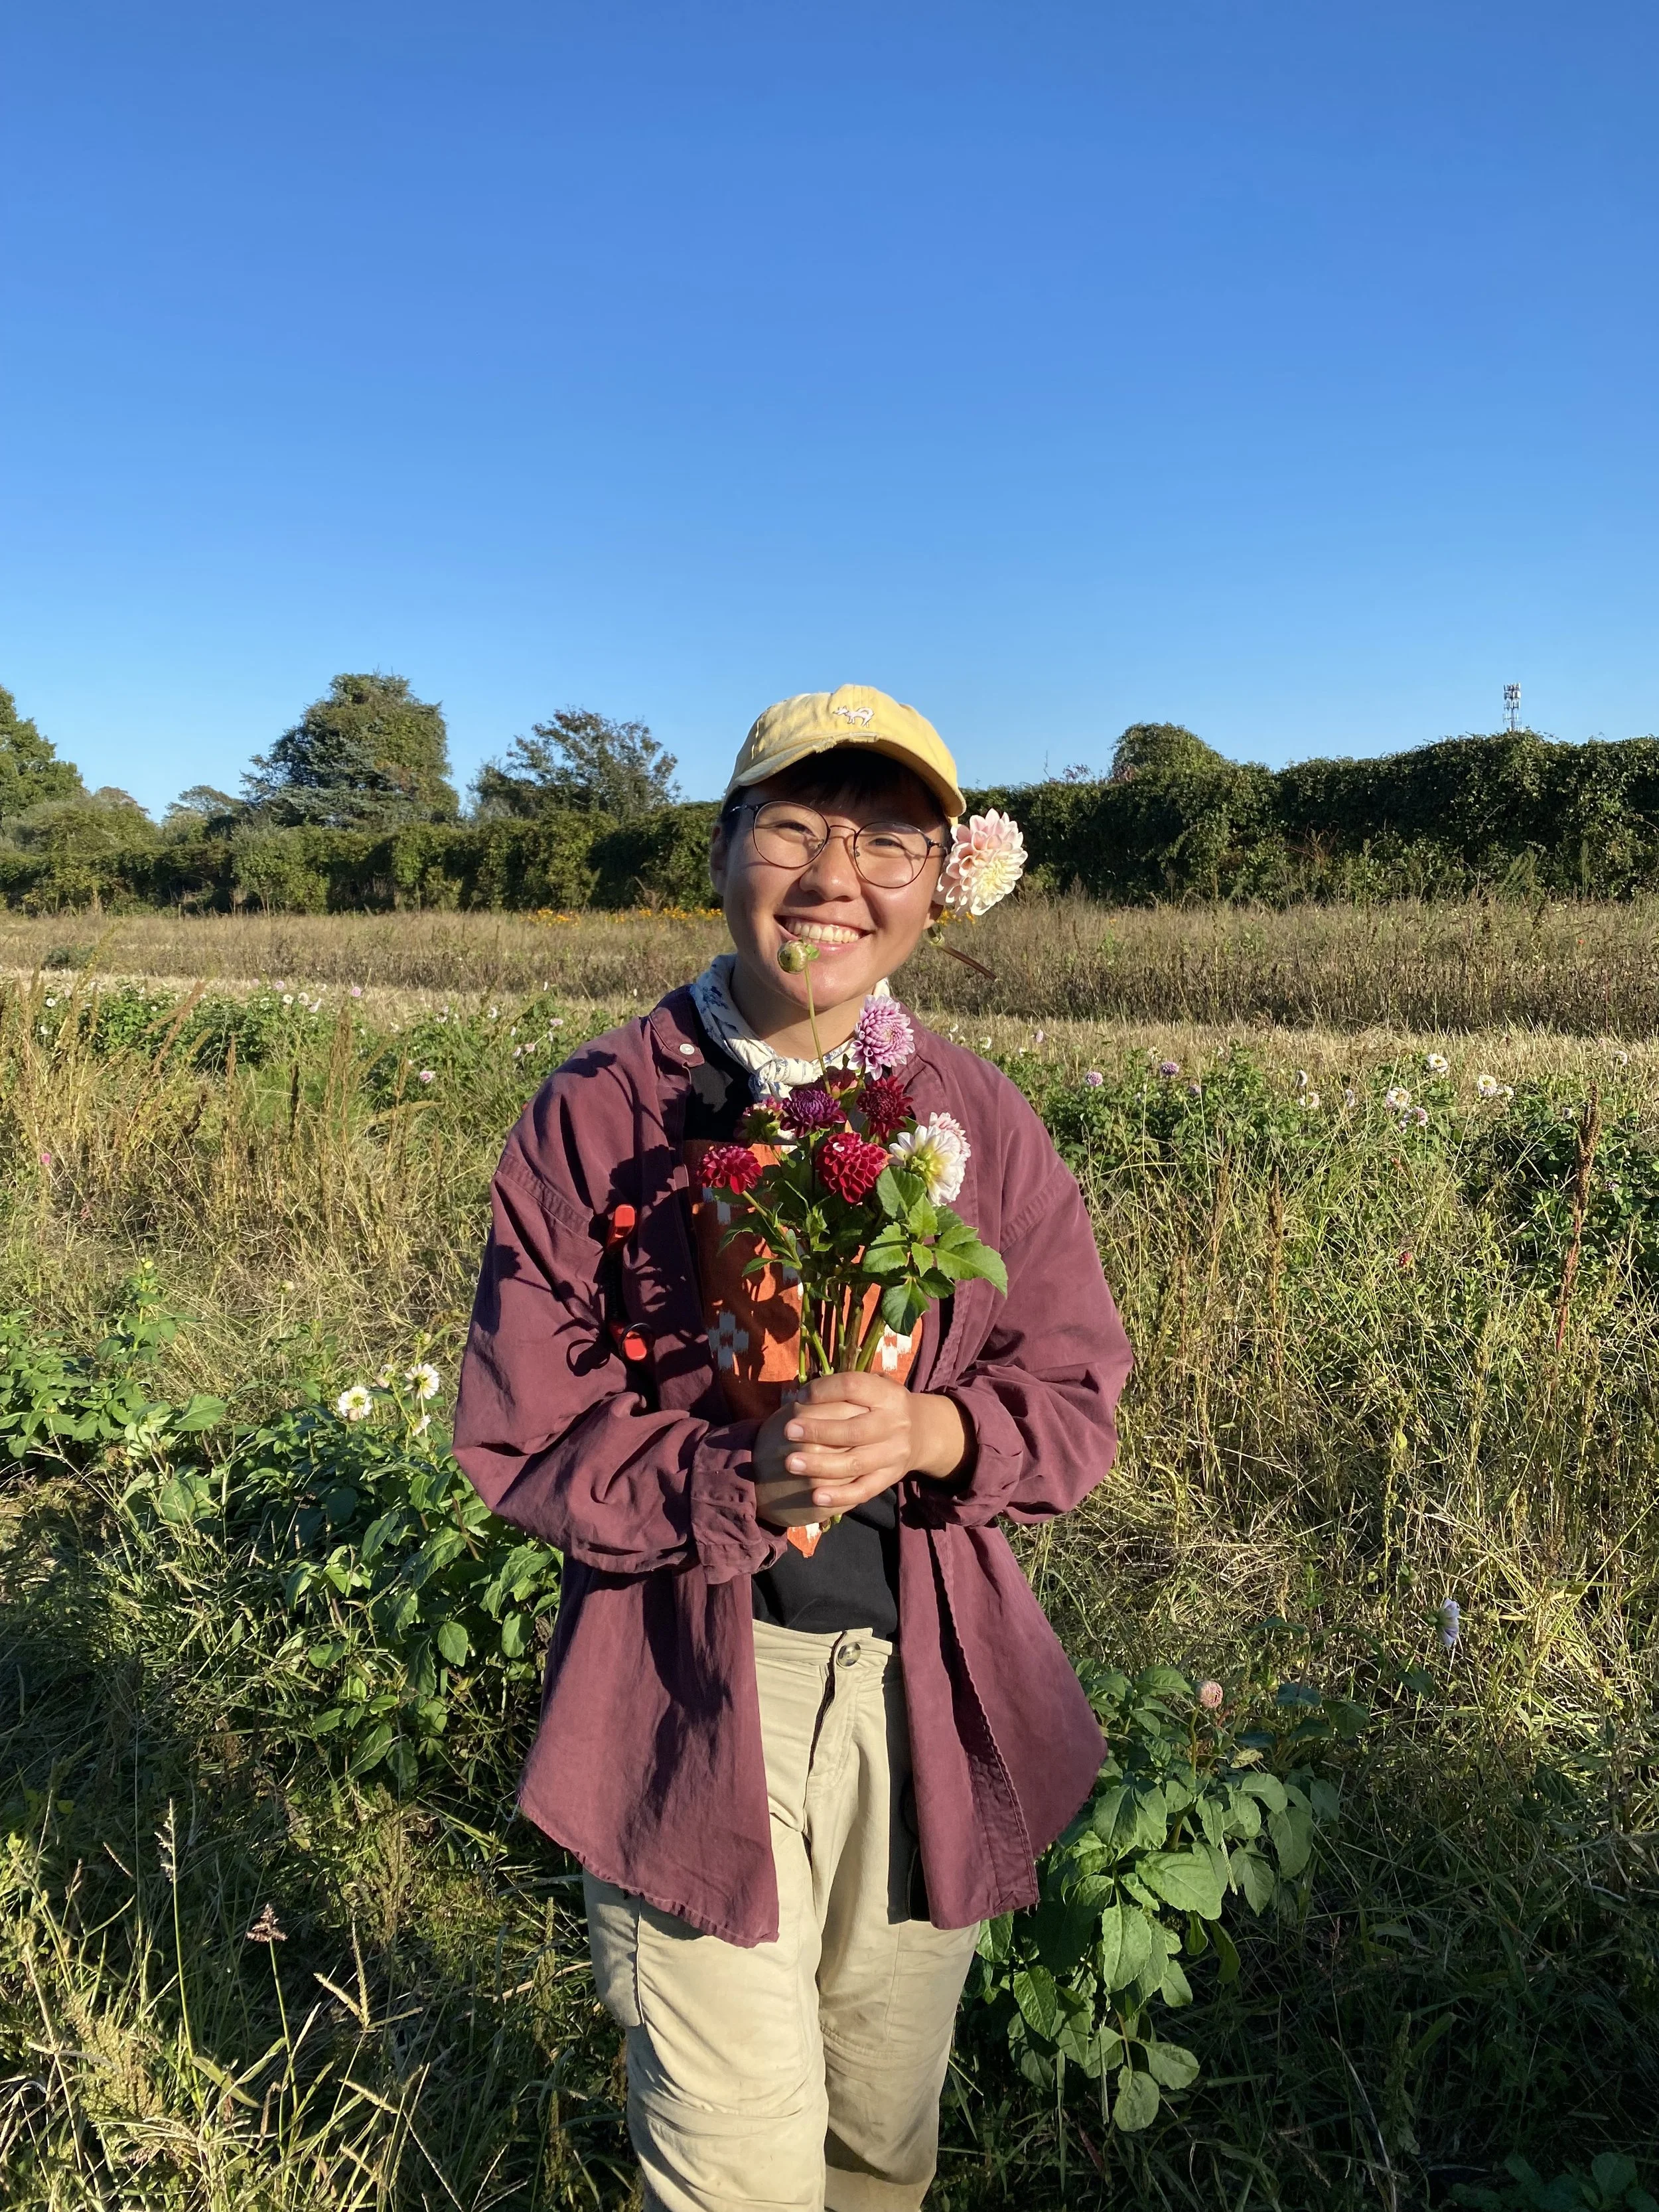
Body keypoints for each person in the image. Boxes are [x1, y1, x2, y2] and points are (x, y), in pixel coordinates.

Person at [453, 683, 1133, 2212]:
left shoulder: (974, 1120)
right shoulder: (599, 1112)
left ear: (941, 888)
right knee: (740, 2171)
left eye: (888, 842)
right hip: (693, 1695)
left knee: (877, 2149)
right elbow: (520, 1428)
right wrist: (729, 1480)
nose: (836, 880)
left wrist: (942, 1426)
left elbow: (1077, 1392)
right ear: (722, 849)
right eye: (797, 829)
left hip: (924, 1699)